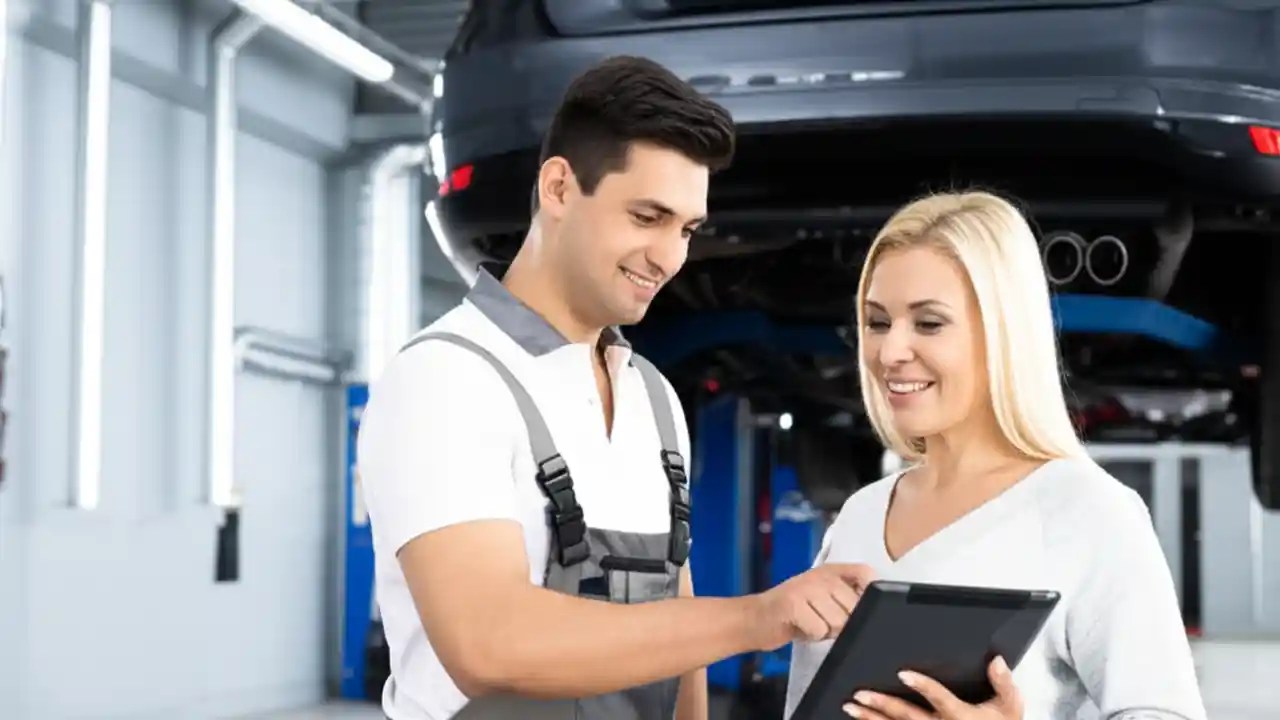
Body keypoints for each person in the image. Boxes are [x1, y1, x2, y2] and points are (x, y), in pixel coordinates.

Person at [356, 55, 878, 720]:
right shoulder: (447, 379)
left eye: (686, 228)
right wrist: (760, 618)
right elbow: (488, 644)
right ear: (559, 189)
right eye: (647, 216)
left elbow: (678, 629)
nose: (670, 257)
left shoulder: (651, 397)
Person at [783, 191, 1209, 720]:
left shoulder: (1089, 512)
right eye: (876, 322)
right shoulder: (861, 514)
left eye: (929, 323)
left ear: (1002, 332)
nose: (890, 352)